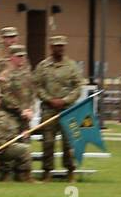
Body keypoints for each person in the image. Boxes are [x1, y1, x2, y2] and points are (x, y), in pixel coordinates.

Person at [33, 34, 84, 181]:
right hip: (49, 110)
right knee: (48, 142)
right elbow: (37, 86)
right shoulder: (43, 66)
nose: (60, 49)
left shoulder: (72, 66)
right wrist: (49, 100)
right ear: (51, 48)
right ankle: (47, 172)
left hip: (68, 110)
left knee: (68, 143)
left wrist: (65, 100)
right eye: (57, 46)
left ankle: (70, 171)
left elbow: (78, 86)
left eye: (62, 46)